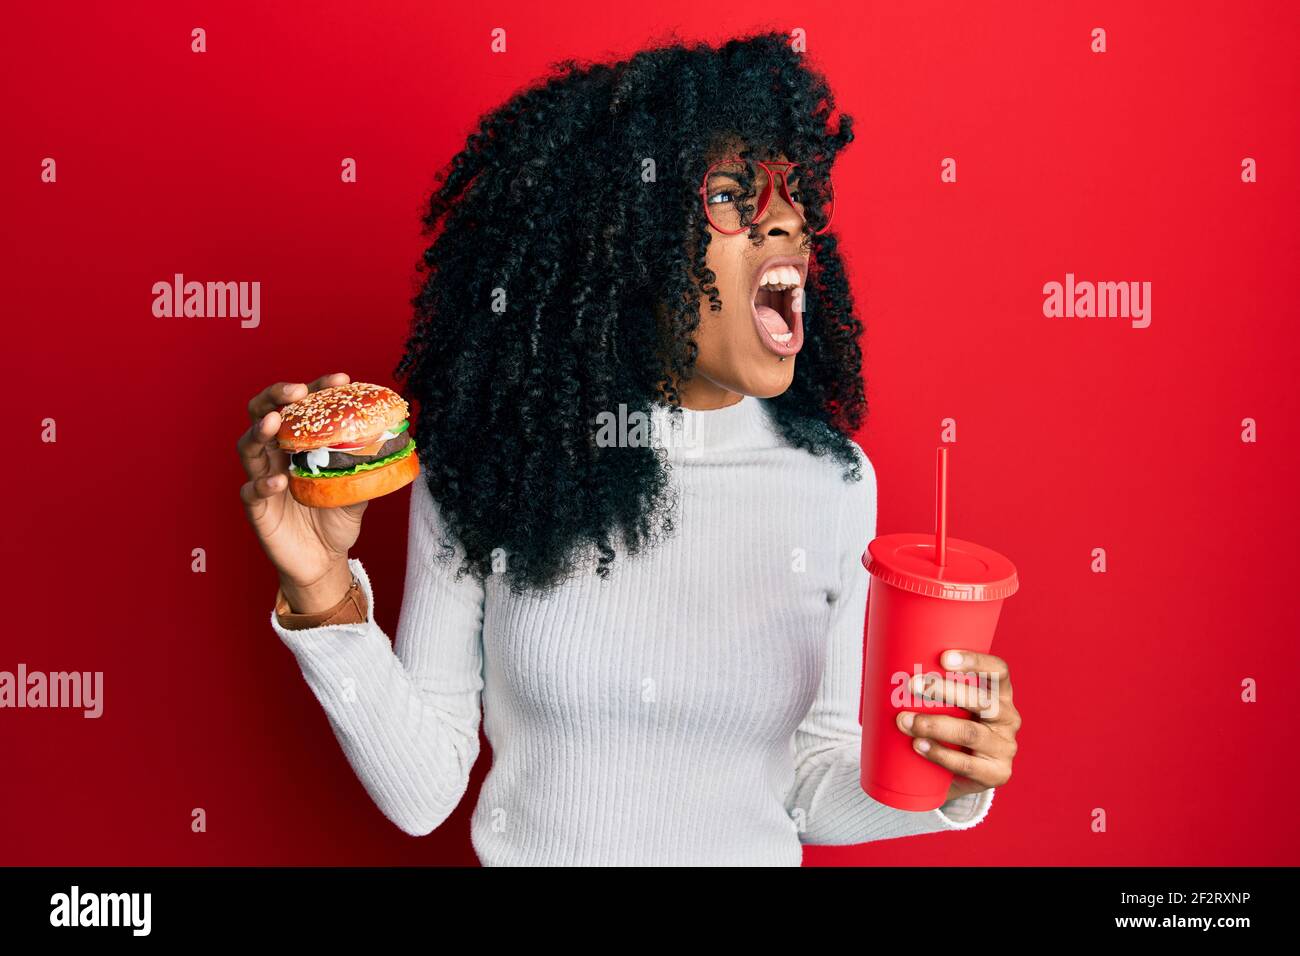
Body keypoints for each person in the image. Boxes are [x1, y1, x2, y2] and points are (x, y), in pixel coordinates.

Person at [236, 32, 1020, 865]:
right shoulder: (489, 466)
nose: (786, 219)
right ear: (628, 246)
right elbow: (424, 791)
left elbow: (808, 781)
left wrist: (952, 780)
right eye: (730, 195)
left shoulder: (832, 483)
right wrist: (320, 589)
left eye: (796, 196)